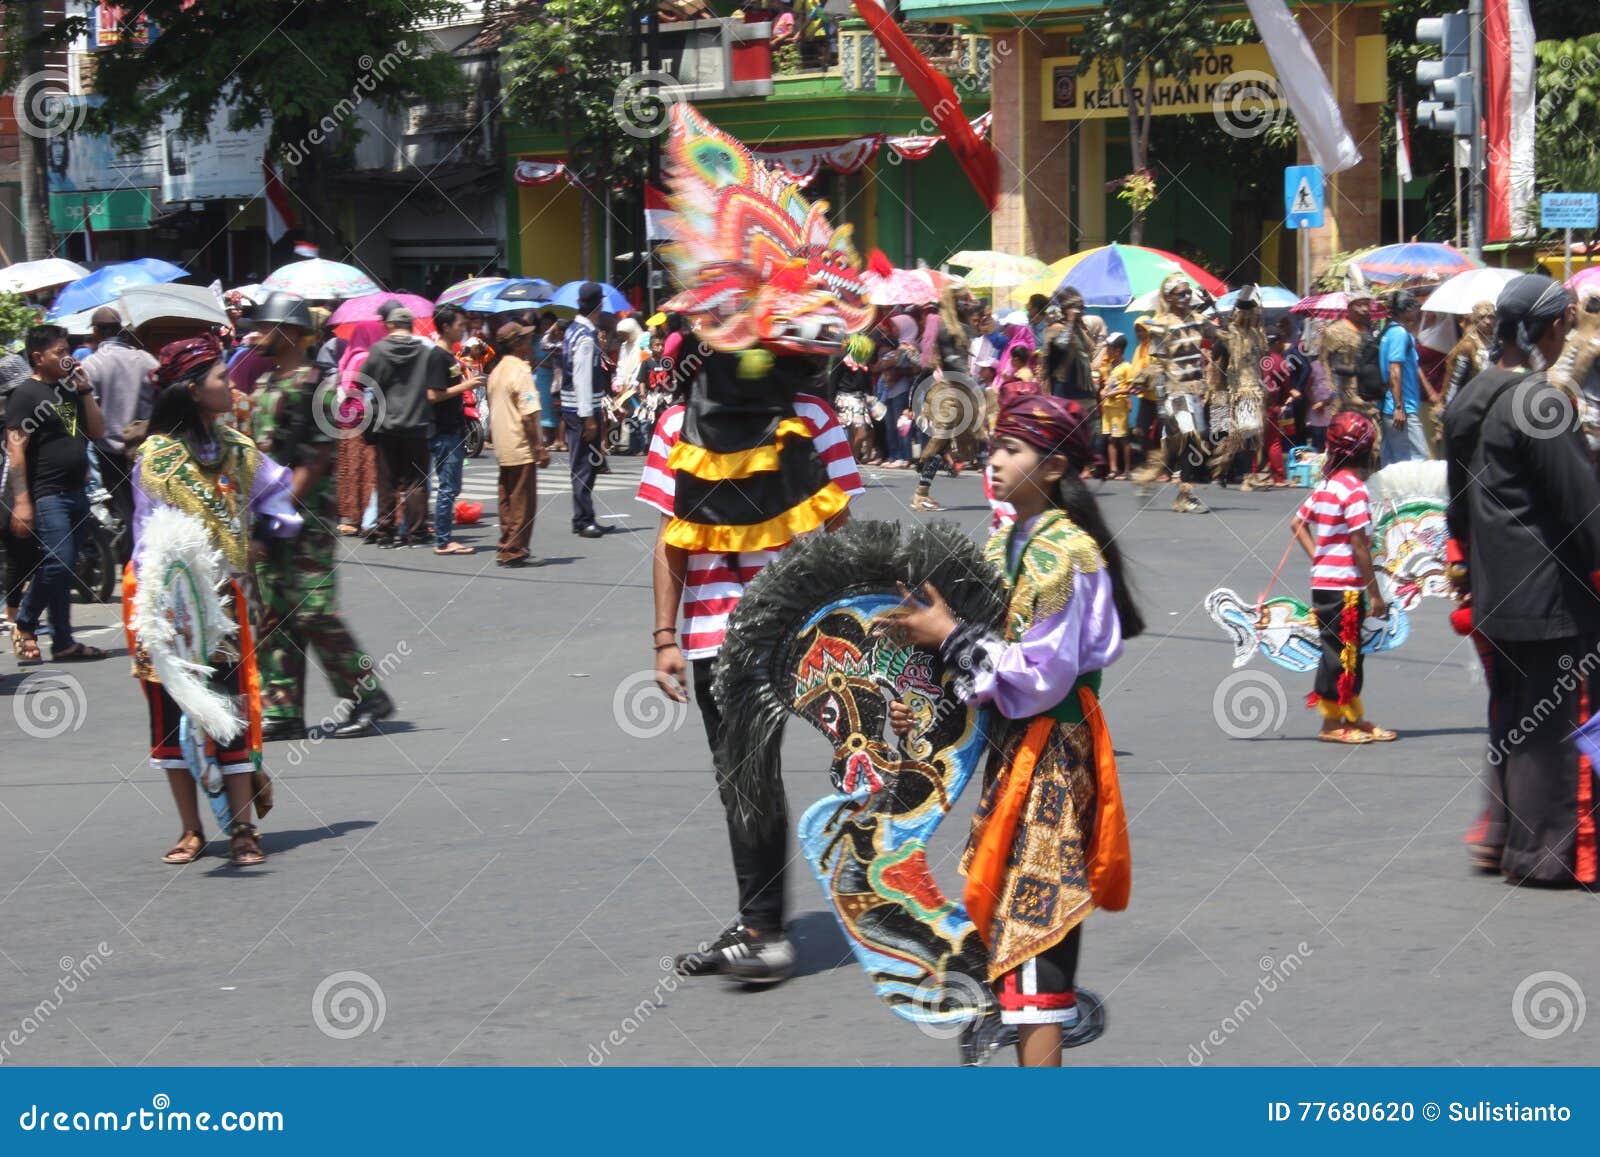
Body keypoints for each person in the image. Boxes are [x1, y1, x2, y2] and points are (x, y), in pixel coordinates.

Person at [884, 393, 1138, 1067]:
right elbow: (983, 668)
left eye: (1013, 450)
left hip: (1052, 760)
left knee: (1034, 952)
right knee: (1012, 936)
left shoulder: (1065, 554)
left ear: (1054, 468)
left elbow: (1040, 677)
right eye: (994, 446)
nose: (993, 461)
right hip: (1015, 755)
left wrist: (951, 635)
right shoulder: (1009, 538)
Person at [644, 344, 863, 985]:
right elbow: (670, 536)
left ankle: (778, 926)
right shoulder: (679, 426)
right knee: (746, 779)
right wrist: (665, 637)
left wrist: (858, 627)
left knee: (770, 776)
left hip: (795, 632)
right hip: (723, 636)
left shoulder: (809, 419)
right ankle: (759, 925)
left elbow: (842, 534)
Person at [1444, 274, 1600, 886]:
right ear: (1557, 326)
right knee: (1552, 724)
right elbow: (1579, 506)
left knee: (1513, 713)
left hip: (1493, 582)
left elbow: (1457, 499)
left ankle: (1508, 838)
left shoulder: (1474, 395)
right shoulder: (1539, 401)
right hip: (1547, 590)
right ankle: (1545, 854)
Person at [130, 337, 301, 866]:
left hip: (222, 599)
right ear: (191, 390)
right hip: (162, 596)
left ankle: (244, 829)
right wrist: (165, 603)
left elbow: (279, 495)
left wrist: (266, 539)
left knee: (230, 707)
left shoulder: (236, 448)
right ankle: (190, 829)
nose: (231, 385)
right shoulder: (158, 458)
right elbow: (144, 534)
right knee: (172, 709)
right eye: (221, 378)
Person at [248, 293, 395, 742]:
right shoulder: (264, 386)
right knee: (274, 613)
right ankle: (283, 709)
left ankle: (367, 695)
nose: (253, 333)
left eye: (264, 326)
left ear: (290, 333)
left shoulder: (319, 388)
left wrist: (276, 509)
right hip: (266, 515)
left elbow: (316, 459)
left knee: (314, 611)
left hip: (305, 520)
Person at [5, 323, 109, 664]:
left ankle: (64, 641)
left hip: (77, 491)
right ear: (38, 357)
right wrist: (21, 501)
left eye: (68, 351)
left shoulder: (69, 390)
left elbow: (96, 431)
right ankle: (25, 621)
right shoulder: (25, 396)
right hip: (46, 493)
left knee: (68, 570)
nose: (67, 358)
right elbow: (16, 451)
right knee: (59, 561)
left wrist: (85, 391)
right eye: (59, 353)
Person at [1289, 411, 1394, 744]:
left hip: (1326, 583)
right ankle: (1332, 725)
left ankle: (1351, 716)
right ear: (1367, 452)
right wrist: (1374, 593)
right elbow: (1359, 545)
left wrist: (1319, 559)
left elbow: (1297, 524)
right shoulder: (1355, 491)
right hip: (1345, 587)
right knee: (1341, 653)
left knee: (1345, 651)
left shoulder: (1327, 486)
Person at [362, 308, 447, 548]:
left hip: (386, 425)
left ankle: (385, 533)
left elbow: (363, 381)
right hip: (417, 423)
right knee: (416, 481)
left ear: (389, 325)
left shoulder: (378, 350)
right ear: (411, 326)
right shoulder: (424, 351)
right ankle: (416, 532)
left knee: (386, 481)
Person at [80, 306, 157, 559]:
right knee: (146, 507)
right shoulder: (146, 360)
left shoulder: (91, 364)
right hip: (145, 449)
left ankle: (132, 562)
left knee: (127, 508)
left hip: (109, 451)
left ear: (96, 331)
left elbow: (84, 411)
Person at [1135, 274, 1213, 513]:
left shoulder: (1198, 320)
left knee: (1182, 443)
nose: (1187, 297)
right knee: (1191, 437)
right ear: (1168, 297)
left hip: (1193, 391)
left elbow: (1219, 335)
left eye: (1189, 293)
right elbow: (1158, 363)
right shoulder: (1160, 325)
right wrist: (1142, 380)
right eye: (1181, 293)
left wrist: (1215, 307)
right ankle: (1184, 496)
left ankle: (1149, 476)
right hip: (1173, 391)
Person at [486, 320, 550, 567]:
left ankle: (506, 544)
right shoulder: (520, 371)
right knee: (523, 500)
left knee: (507, 498)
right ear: (517, 343)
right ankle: (514, 549)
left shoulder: (496, 370)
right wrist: (539, 447)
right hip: (520, 444)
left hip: (503, 445)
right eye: (526, 339)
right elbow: (528, 413)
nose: (530, 343)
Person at [911, 285, 980, 513]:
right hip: (947, 391)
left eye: (966, 301)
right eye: (960, 301)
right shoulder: (943, 324)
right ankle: (923, 463)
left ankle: (921, 493)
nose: (965, 304)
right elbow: (949, 357)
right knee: (941, 435)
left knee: (944, 447)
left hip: (962, 389)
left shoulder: (964, 326)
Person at [426, 304, 482, 556]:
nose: (463, 329)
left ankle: (443, 537)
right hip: (444, 430)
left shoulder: (449, 355)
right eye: (459, 325)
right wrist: (466, 385)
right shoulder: (437, 356)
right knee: (448, 486)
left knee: (452, 485)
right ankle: (443, 540)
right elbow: (433, 395)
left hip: (454, 428)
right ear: (446, 327)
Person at [562, 283, 606, 539]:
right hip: (582, 410)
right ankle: (583, 519)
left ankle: (583, 516)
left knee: (583, 463)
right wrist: (588, 417)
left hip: (572, 407)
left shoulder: (573, 330)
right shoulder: (586, 337)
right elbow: (582, 378)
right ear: (598, 305)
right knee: (584, 465)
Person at [333, 320, 384, 536]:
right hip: (363, 419)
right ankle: (362, 515)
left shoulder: (349, 356)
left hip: (345, 418)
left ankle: (350, 515)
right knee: (366, 467)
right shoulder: (365, 357)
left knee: (349, 467)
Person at [1379, 290, 1433, 465]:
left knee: (1393, 461)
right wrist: (1399, 407)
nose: (1417, 311)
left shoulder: (1388, 332)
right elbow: (1395, 369)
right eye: (1415, 307)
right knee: (1417, 460)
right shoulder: (1400, 334)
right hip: (1402, 410)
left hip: (1393, 407)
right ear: (1406, 310)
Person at [1322, 289, 1383, 435]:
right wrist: (1331, 388)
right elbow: (1325, 361)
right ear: (1349, 306)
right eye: (1360, 305)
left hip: (1370, 396)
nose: (1365, 309)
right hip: (1347, 399)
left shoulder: (1368, 330)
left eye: (1367, 305)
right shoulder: (1335, 331)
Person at [828, 332, 877, 463]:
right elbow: (833, 380)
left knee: (861, 435)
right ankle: (848, 464)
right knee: (850, 435)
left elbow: (867, 383)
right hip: (844, 399)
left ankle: (851, 462)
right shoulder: (841, 359)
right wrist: (831, 403)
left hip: (859, 401)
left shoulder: (862, 361)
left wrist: (871, 399)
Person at [1098, 333, 1133, 478]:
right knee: (1111, 438)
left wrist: (1116, 392)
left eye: (1109, 348)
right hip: (1108, 407)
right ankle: (1114, 469)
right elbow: (1107, 384)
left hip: (1119, 407)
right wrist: (1103, 391)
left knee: (1123, 438)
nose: (1107, 350)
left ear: (1118, 350)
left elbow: (1130, 387)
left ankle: (1127, 469)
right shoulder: (1110, 366)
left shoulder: (1126, 367)